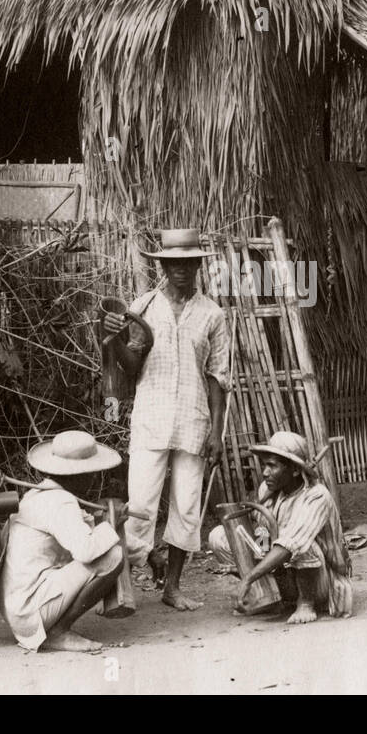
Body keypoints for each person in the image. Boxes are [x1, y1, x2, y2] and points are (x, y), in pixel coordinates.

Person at [103, 228, 228, 611]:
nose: (181, 271)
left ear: (197, 266)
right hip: (151, 420)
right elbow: (129, 367)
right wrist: (114, 340)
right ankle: (140, 565)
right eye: (174, 264)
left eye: (189, 264)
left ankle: (172, 587)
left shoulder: (212, 314)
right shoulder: (141, 309)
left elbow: (218, 376)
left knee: (187, 507)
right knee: (139, 505)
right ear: (163, 265)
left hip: (193, 421)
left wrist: (217, 432)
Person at [0, 432, 127, 652]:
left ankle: (51, 628)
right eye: (91, 474)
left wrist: (145, 551)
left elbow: (87, 533)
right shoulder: (60, 502)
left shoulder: (39, 494)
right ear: (78, 475)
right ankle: (58, 632)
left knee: (103, 548)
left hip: (19, 607)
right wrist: (112, 523)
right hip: (30, 610)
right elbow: (87, 551)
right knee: (112, 557)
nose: (94, 479)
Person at [208, 431, 353, 622]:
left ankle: (306, 603)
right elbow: (263, 529)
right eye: (264, 465)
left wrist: (249, 578)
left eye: (272, 466)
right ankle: (269, 596)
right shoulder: (268, 490)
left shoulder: (317, 496)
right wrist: (261, 549)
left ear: (294, 470)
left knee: (301, 544)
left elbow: (292, 543)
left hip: (321, 581)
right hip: (285, 572)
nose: (265, 472)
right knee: (219, 536)